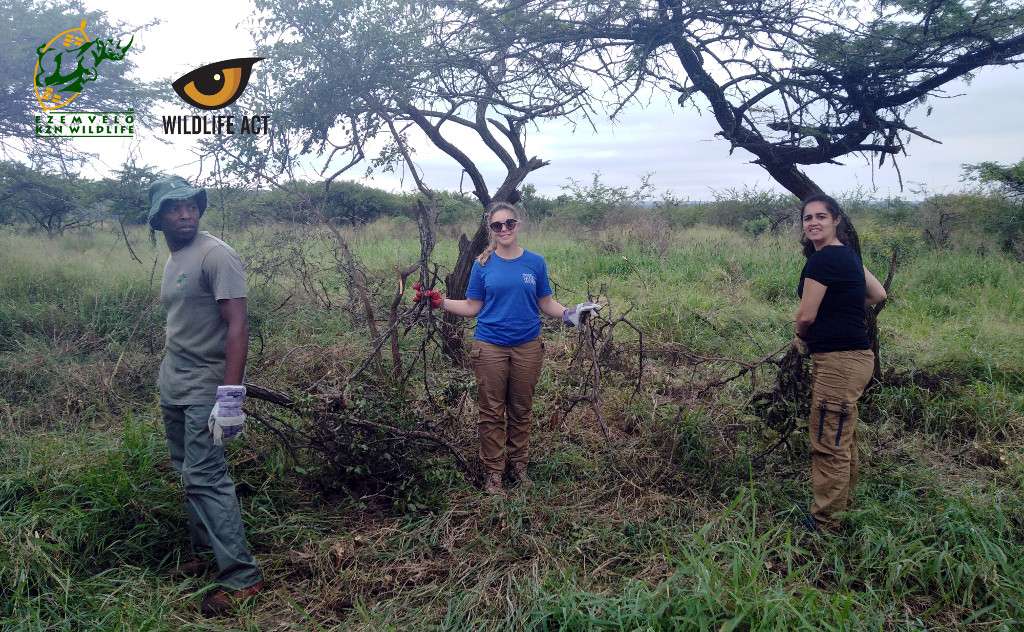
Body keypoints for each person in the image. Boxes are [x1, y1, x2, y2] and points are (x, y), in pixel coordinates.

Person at [415, 201, 599, 495]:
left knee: (521, 410)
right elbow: (473, 306)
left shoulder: (535, 262)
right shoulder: (482, 264)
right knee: (491, 412)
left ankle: (519, 466)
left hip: (527, 346)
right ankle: (494, 472)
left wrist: (571, 314)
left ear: (518, 225)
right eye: (497, 225)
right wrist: (439, 302)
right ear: (490, 230)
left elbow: (545, 303)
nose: (504, 229)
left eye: (509, 223)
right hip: (489, 346)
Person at [147, 175, 264, 616]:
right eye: (174, 209)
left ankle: (241, 576)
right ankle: (204, 552)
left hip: (204, 387)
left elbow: (238, 324)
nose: (185, 214)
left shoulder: (216, 254)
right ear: (157, 218)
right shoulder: (177, 257)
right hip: (173, 383)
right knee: (187, 472)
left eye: (191, 206)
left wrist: (230, 396)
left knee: (206, 477)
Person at [793, 194, 887, 534]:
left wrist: (801, 336)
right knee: (842, 436)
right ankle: (841, 509)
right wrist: (844, 299)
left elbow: (806, 315)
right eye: (808, 218)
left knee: (827, 438)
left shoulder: (821, 262)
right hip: (858, 358)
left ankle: (825, 523)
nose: (814, 222)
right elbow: (879, 295)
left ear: (837, 220)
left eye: (821, 216)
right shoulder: (848, 257)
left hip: (838, 361)